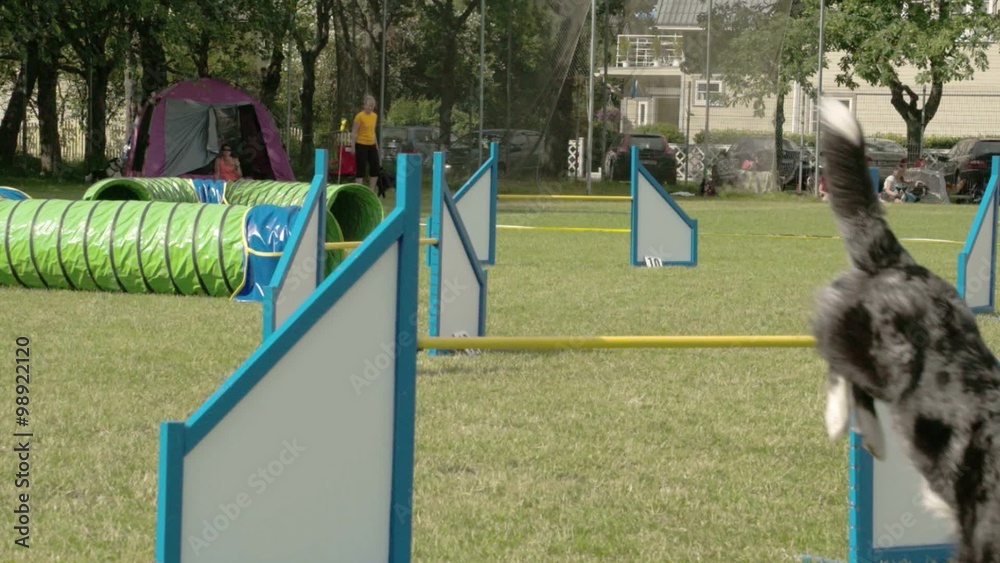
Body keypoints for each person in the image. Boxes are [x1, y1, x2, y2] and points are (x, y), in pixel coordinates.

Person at [347, 94, 380, 193]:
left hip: (371, 144)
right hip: (361, 144)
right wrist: (353, 146)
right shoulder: (359, 116)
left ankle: (371, 190)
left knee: (375, 167)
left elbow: (373, 131)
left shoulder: (374, 116)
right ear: (364, 105)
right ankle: (359, 190)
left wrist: (376, 146)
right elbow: (354, 132)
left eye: (371, 106)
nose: (369, 108)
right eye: (368, 105)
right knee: (361, 168)